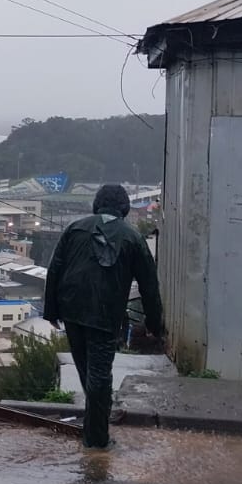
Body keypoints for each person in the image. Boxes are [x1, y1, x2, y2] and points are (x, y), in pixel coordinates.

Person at [43, 183, 164, 450]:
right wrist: (155, 324)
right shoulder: (133, 237)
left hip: (71, 310)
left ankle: (99, 418)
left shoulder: (75, 229)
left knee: (88, 371)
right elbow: (149, 287)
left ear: (96, 205)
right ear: (125, 207)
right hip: (104, 316)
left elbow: (55, 269)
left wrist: (51, 311)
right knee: (99, 375)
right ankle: (97, 440)